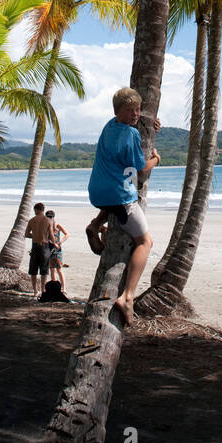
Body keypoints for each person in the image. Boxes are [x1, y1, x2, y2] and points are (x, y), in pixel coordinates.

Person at [85, 86, 160, 326]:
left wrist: (151, 126)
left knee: (112, 203)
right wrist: (157, 159)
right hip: (120, 197)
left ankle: (96, 224)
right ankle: (127, 296)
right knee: (145, 241)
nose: (136, 114)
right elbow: (141, 167)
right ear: (119, 111)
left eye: (138, 110)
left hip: (98, 193)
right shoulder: (131, 135)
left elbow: (129, 129)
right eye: (131, 111)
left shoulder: (110, 125)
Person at [24, 202, 54, 297]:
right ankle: (43, 290)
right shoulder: (48, 220)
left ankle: (35, 291)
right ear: (43, 210)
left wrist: (35, 235)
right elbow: (52, 236)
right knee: (44, 270)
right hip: (44, 246)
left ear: (36, 210)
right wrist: (55, 243)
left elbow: (27, 234)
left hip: (35, 246)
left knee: (33, 270)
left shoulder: (32, 220)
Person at [45, 209, 68, 293]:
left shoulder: (57, 225)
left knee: (59, 269)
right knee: (51, 269)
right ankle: (54, 287)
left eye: (51, 217)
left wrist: (61, 242)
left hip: (57, 249)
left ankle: (63, 288)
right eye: (48, 217)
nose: (49, 218)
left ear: (53, 217)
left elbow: (67, 234)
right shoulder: (45, 226)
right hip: (48, 249)